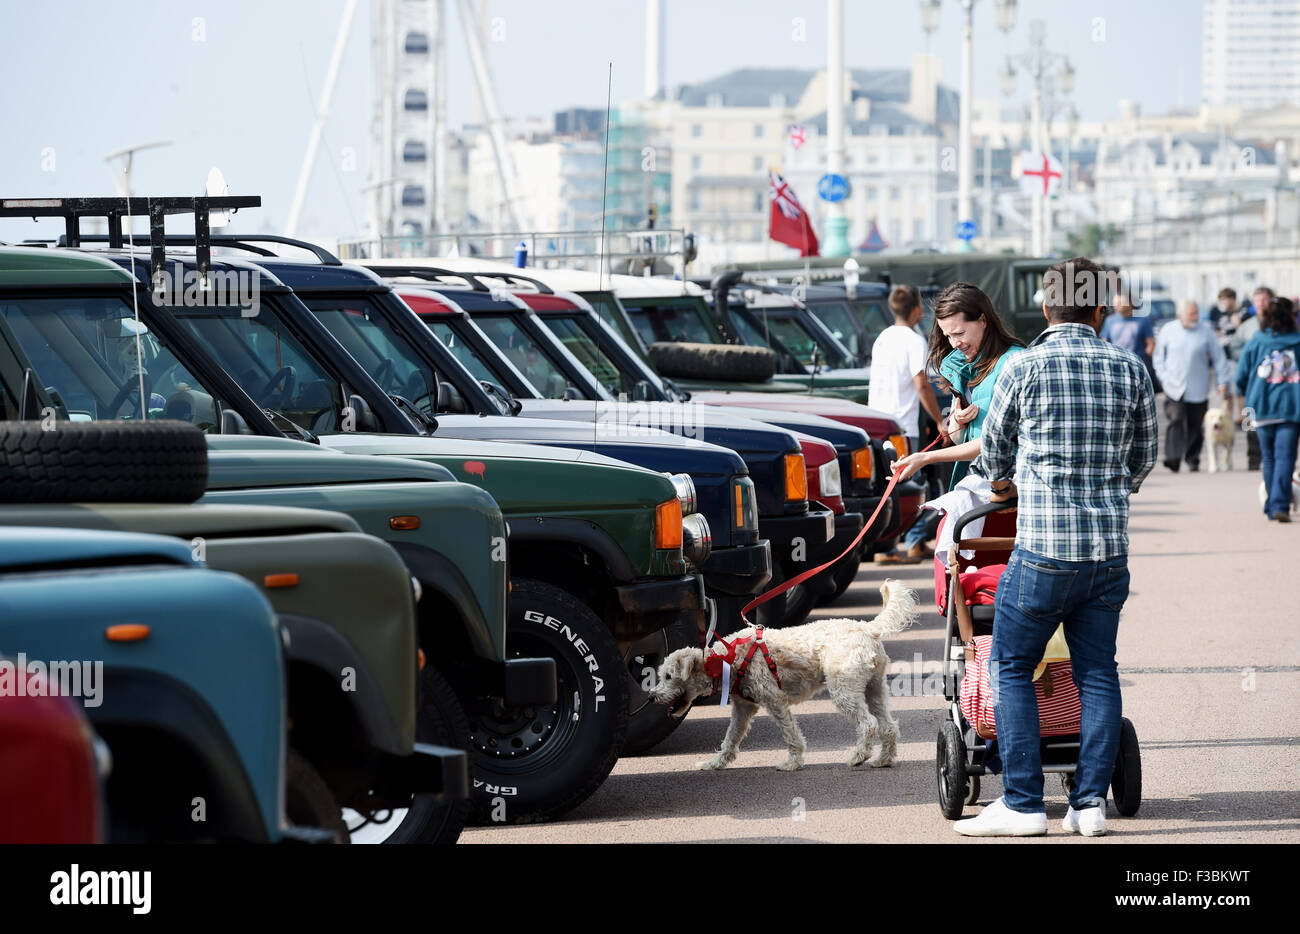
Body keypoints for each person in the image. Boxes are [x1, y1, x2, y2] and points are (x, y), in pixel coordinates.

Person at [953, 256, 1157, 837]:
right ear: (1098, 311)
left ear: (1044, 308)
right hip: (1107, 554)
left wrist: (1015, 480)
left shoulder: (1025, 369)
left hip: (1042, 550)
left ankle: (1021, 802)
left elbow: (993, 460)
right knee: (1097, 672)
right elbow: (1142, 461)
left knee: (1011, 664)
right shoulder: (1130, 368)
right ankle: (1088, 805)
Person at [890, 282, 1025, 488]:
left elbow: (996, 440)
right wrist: (958, 421)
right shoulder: (961, 366)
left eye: (959, 333)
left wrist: (925, 458)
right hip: (981, 482)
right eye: (948, 336)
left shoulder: (1013, 362)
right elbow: (960, 437)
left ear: (983, 320)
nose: (954, 343)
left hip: (1008, 485)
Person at [870, 284, 947, 564]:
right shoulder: (915, 341)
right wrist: (939, 420)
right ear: (916, 310)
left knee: (890, 487)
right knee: (914, 487)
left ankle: (890, 545)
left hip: (879, 423)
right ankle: (911, 541)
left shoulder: (883, 338)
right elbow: (922, 385)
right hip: (903, 424)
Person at [1235, 295, 1300, 522]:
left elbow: (1241, 376)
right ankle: (1279, 504)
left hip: (1260, 407)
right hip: (1291, 407)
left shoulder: (1256, 341)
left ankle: (1273, 505)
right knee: (1285, 458)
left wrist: (1249, 391)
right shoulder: (1297, 341)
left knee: (1269, 458)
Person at [1152, 300, 1233, 472]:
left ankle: (1192, 458)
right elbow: (1158, 358)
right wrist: (1164, 378)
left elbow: (1219, 357)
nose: (1195, 317)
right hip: (1174, 385)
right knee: (1176, 419)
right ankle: (1173, 458)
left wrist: (1223, 381)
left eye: (1196, 313)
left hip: (1199, 385)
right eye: (1191, 314)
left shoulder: (1206, 331)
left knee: (1196, 424)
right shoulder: (1168, 330)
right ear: (1180, 315)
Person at [1101, 292, 1156, 379]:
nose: (1115, 306)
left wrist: (1144, 360)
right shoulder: (1110, 320)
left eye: (1119, 303)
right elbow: (1104, 343)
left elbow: (1151, 344)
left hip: (1138, 368)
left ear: (1129, 303)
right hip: (1117, 368)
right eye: (1115, 303)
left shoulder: (1143, 319)